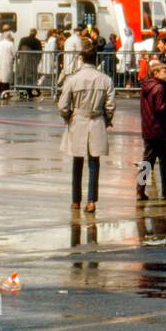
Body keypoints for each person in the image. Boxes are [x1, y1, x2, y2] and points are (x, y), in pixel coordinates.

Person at [58, 40, 115, 213]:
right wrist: (106, 119)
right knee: (94, 162)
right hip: (96, 119)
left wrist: (68, 118)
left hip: (78, 120)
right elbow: (110, 106)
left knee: (77, 161)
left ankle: (75, 200)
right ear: (96, 59)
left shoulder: (72, 79)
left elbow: (63, 105)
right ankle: (91, 200)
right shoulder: (105, 80)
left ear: (81, 58)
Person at [138, 60, 166, 201]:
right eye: (164, 71)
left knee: (147, 161)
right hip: (158, 128)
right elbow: (159, 108)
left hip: (147, 126)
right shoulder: (160, 87)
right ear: (156, 73)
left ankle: (140, 189)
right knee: (163, 161)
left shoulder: (146, 86)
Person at [0, 31, 16, 98]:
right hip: (7, 62)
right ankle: (3, 92)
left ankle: (0, 91)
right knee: (7, 78)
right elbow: (14, 54)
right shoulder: (10, 44)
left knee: (1, 78)